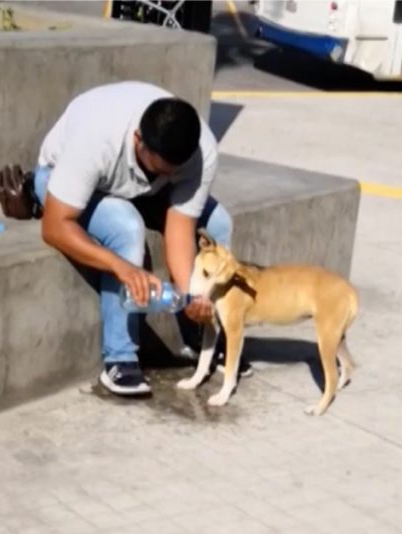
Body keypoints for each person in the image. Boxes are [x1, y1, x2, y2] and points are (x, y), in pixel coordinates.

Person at [34, 81, 250, 397]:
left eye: (173, 172)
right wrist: (120, 267)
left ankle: (204, 335)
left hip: (143, 191)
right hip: (61, 179)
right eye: (157, 167)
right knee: (127, 226)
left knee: (218, 223)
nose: (167, 174)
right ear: (139, 141)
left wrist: (191, 296)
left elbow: (180, 227)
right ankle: (119, 357)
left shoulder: (199, 151)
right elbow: (54, 226)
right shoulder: (99, 138)